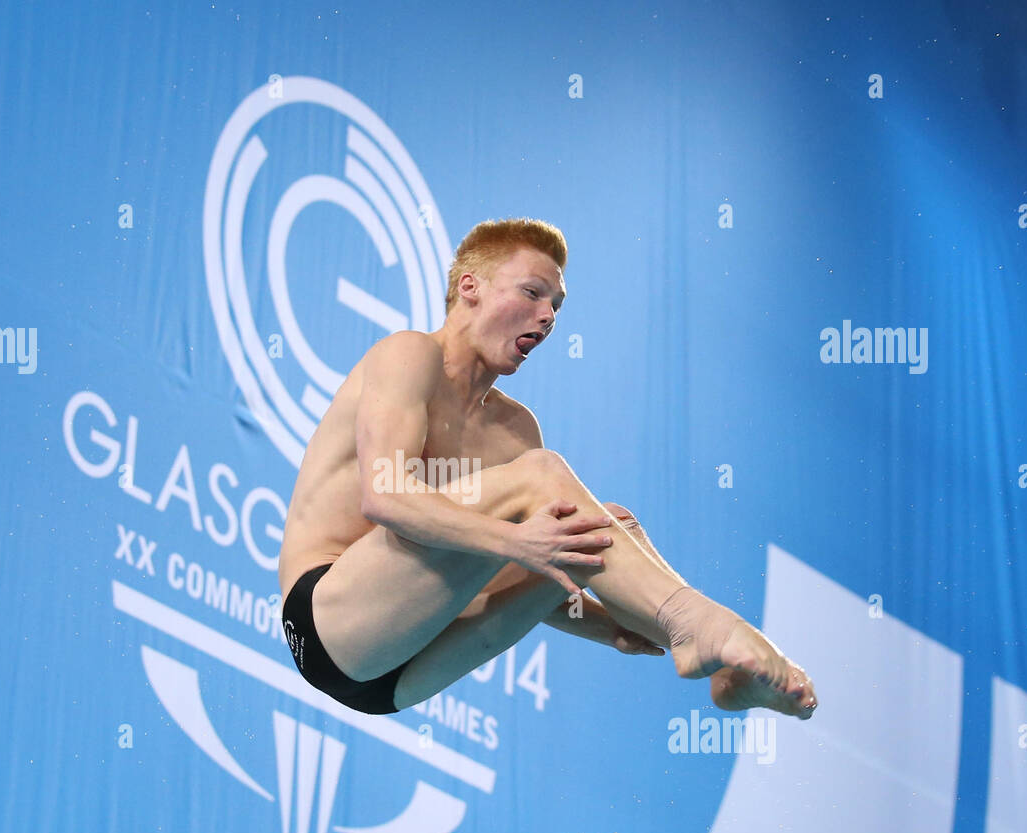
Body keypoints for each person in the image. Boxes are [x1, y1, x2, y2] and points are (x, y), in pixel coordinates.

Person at [278, 217, 817, 720]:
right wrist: (515, 543)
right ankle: (696, 623)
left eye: (556, 305)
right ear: (471, 288)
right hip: (328, 621)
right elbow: (386, 497)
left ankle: (720, 669)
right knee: (545, 480)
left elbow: (538, 565)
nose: (548, 316)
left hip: (400, 674)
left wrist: (613, 628)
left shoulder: (515, 431)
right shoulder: (410, 356)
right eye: (532, 293)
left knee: (600, 526)